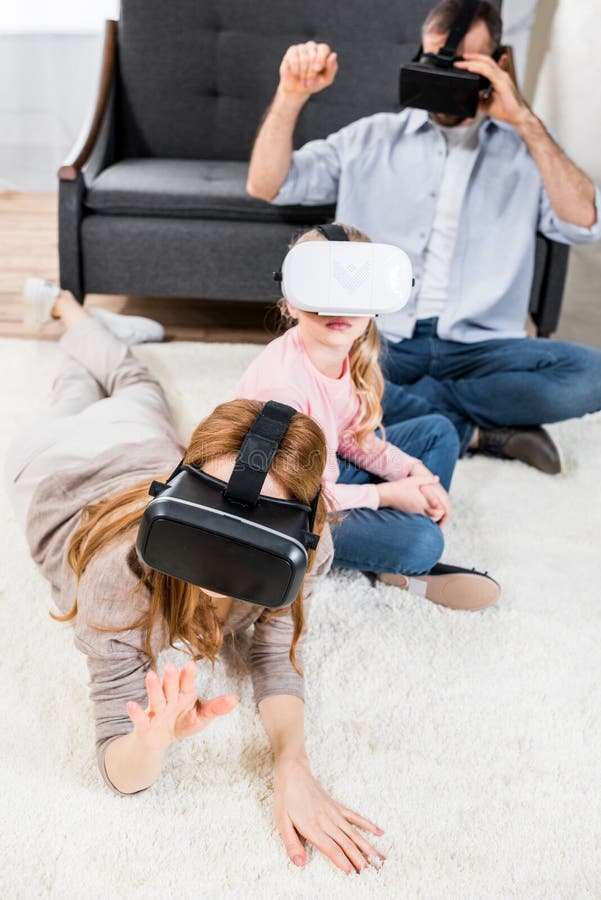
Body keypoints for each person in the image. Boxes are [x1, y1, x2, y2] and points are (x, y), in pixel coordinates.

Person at [5, 290, 387, 876]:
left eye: (256, 524)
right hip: (60, 467)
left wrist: (292, 764)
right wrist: (151, 741)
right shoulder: (122, 569)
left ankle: (83, 332)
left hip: (143, 444)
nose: (225, 545)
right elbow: (117, 761)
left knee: (113, 382)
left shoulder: (302, 554)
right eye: (210, 514)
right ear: (182, 485)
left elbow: (274, 653)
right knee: (104, 385)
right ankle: (66, 308)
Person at [246, 0, 601, 475]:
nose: (443, 77)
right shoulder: (370, 138)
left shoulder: (526, 152)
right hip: (379, 340)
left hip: (480, 348)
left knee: (589, 376)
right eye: (434, 59)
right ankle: (479, 429)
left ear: (499, 65)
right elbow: (267, 184)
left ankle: (422, 412)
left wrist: (524, 119)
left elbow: (585, 222)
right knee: (313, 376)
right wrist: (291, 95)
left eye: (461, 65)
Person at [236, 223, 499, 610]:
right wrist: (387, 494)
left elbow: (351, 438)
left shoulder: (343, 360)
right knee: (424, 541)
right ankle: (398, 555)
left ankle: (390, 541)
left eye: (354, 293)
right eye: (323, 293)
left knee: (439, 433)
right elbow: (297, 498)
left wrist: (414, 474)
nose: (340, 309)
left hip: (324, 472)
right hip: (285, 510)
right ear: (290, 302)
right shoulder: (283, 388)